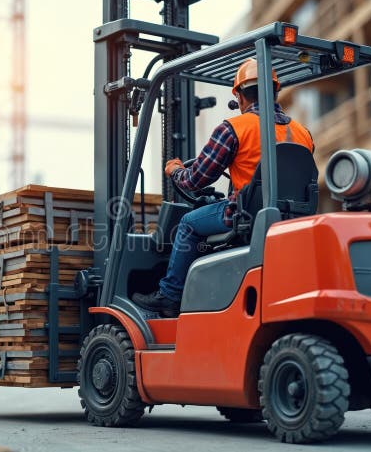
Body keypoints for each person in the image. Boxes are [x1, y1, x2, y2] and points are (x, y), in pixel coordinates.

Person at [131, 58, 315, 318]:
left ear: (239, 96)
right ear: (275, 91)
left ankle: (170, 295)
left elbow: (195, 180)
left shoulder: (234, 129)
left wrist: (175, 170)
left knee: (188, 224)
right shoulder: (303, 133)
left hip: (246, 218)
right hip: (290, 219)